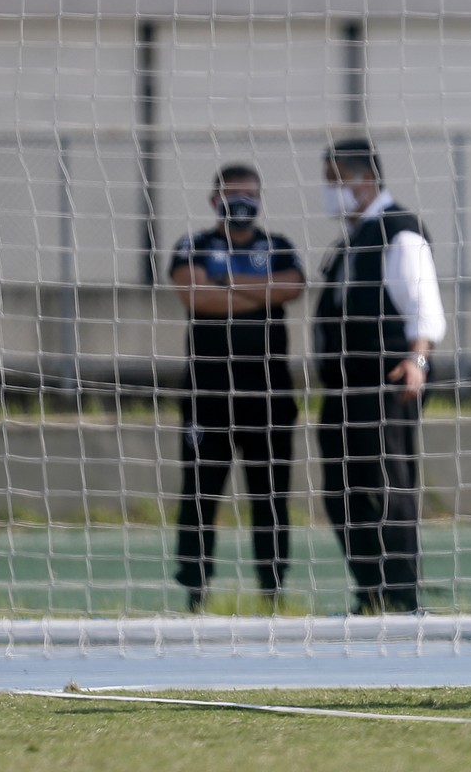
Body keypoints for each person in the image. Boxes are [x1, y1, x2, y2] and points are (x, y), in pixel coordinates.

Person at [314, 137, 447, 615]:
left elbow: (423, 306)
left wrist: (418, 359)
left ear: (364, 179)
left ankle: (403, 594)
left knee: (388, 482)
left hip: (387, 377)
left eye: (335, 180)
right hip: (344, 384)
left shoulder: (399, 232)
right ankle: (370, 589)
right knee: (340, 489)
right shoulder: (350, 241)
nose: (329, 191)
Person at [170, 163, 305, 612]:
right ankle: (195, 589)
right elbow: (195, 295)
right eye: (233, 196)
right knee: (199, 493)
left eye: (250, 195)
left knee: (270, 495)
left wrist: (227, 282)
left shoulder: (278, 246)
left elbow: (292, 287)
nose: (242, 204)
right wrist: (259, 292)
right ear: (215, 200)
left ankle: (272, 587)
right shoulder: (192, 245)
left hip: (269, 396)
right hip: (206, 397)